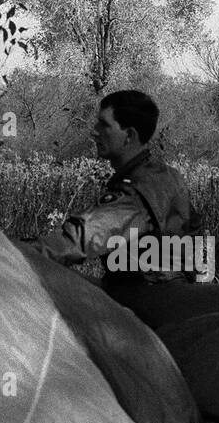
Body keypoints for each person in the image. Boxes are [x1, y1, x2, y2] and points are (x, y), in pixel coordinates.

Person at [26, 90, 198, 290]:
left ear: (129, 136)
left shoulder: (137, 191)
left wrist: (17, 252)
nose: (95, 131)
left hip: (144, 297)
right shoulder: (167, 174)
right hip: (169, 290)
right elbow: (194, 232)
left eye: (104, 124)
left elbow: (82, 239)